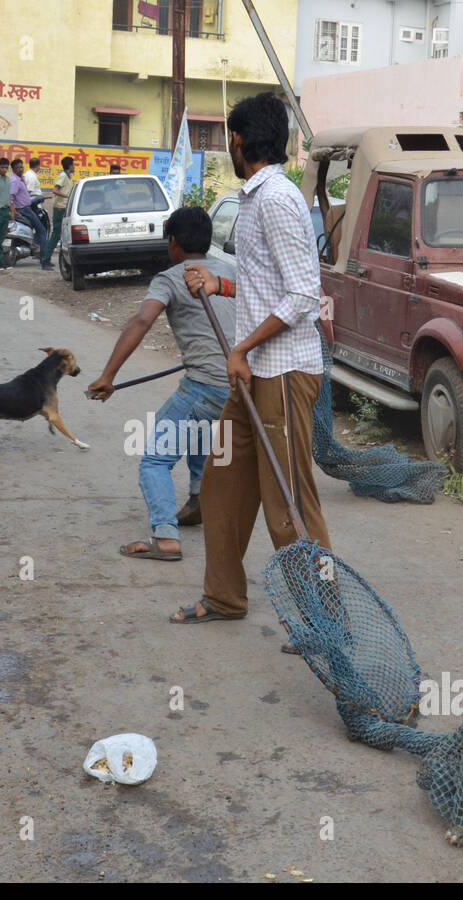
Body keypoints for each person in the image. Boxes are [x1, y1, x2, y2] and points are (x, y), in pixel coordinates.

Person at [171, 92, 331, 624]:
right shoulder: (257, 198)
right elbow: (272, 287)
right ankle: (223, 597)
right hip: (256, 369)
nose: (228, 149)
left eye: (229, 141)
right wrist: (220, 284)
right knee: (221, 483)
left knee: (289, 504)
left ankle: (326, 622)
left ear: (239, 141)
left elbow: (305, 295)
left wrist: (241, 347)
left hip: (281, 371)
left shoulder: (279, 200)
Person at [86, 207, 235, 560]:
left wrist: (108, 377)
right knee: (199, 427)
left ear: (173, 243)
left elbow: (141, 321)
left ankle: (166, 537)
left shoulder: (171, 278)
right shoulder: (229, 272)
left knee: (155, 460)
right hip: (238, 385)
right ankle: (199, 500)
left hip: (206, 384)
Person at [9, 158, 52, 271]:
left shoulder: (22, 178)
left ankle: (37, 250)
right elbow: (10, 197)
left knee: (38, 230)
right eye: (18, 168)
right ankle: (45, 261)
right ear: (13, 169)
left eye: (21, 167)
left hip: (27, 207)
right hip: (24, 210)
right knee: (42, 231)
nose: (20, 169)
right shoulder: (15, 180)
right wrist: (13, 211)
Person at [43, 155, 74, 266]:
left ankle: (50, 260)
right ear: (70, 165)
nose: (74, 166)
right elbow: (55, 190)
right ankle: (45, 260)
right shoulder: (63, 176)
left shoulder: (68, 177)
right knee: (56, 235)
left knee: (61, 236)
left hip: (64, 210)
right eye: (73, 164)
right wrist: (66, 196)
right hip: (59, 209)